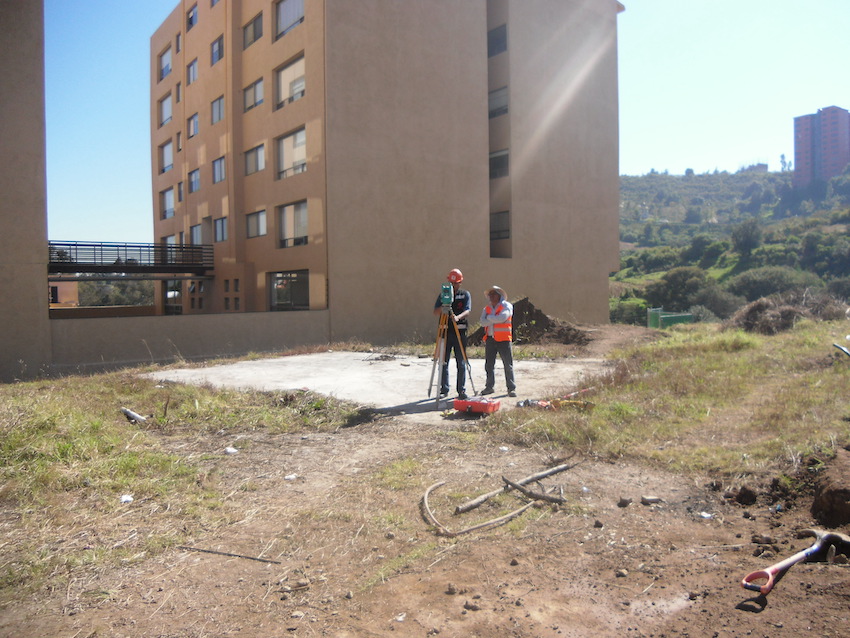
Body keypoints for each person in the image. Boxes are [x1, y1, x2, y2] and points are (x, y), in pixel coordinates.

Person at [433, 268, 471, 399]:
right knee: (443, 362)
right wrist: (444, 307)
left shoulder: (465, 294)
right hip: (445, 332)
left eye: (456, 283)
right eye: (451, 283)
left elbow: (467, 310)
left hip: (460, 333)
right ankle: (444, 388)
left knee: (461, 362)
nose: (453, 286)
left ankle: (461, 390)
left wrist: (457, 317)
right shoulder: (443, 295)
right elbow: (435, 312)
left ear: (460, 283)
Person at [480, 285, 516, 397]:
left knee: (507, 365)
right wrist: (494, 319)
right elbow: (482, 322)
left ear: (499, 295)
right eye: (489, 295)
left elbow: (503, 318)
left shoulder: (507, 306)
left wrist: (489, 318)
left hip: (504, 340)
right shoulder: (487, 308)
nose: (491, 297)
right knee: (489, 365)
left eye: (493, 294)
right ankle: (489, 387)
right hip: (490, 339)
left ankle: (511, 388)